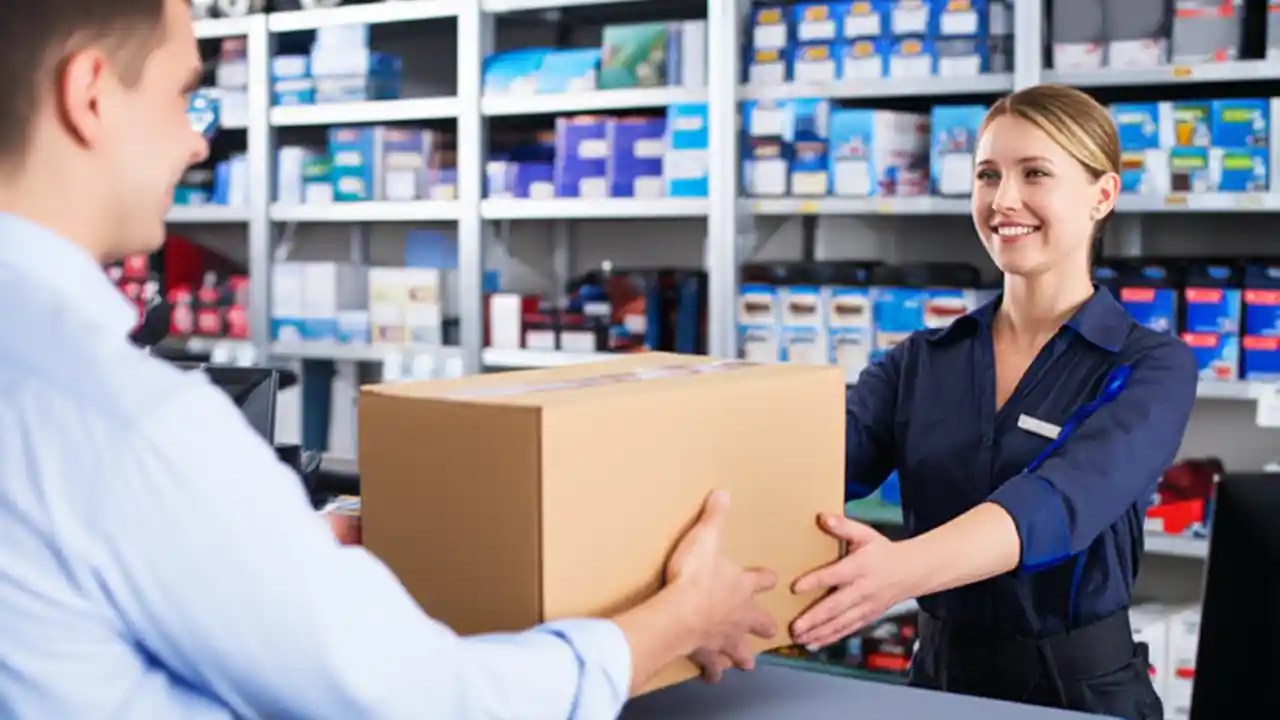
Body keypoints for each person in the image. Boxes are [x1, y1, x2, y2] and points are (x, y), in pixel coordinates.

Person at [0, 1, 779, 718]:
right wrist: (677, 619)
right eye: (181, 97)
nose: (198, 140)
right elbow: (421, 703)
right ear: (92, 95)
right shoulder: (126, 418)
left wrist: (277, 541)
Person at [789, 84, 1197, 720]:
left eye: (1035, 173)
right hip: (937, 685)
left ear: (1102, 195)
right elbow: (811, 468)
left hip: (1078, 696)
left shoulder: (1150, 366)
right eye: (987, 175)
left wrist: (898, 572)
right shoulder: (922, 360)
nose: (1004, 200)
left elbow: (1060, 501)